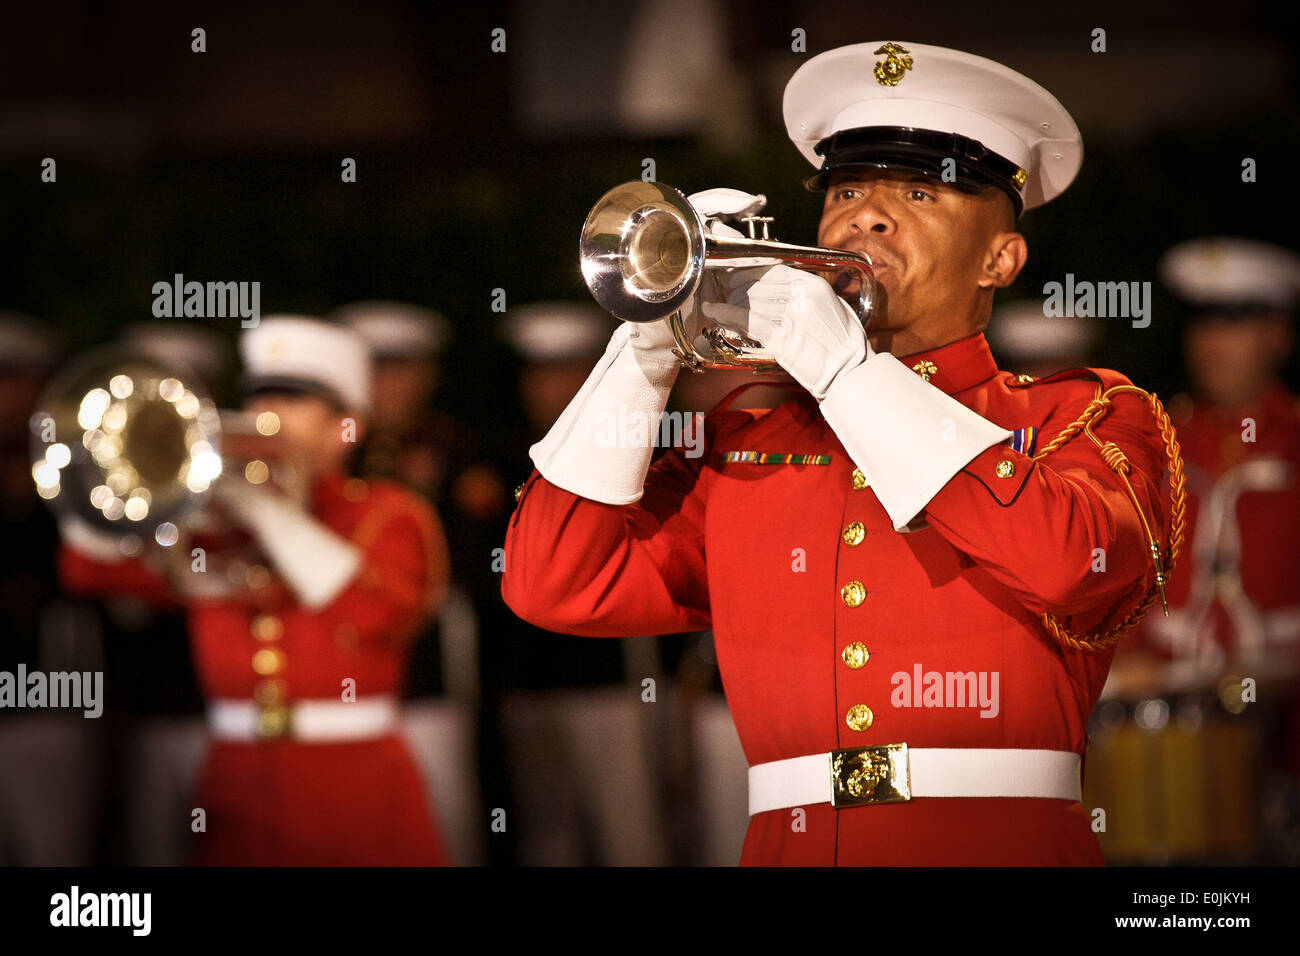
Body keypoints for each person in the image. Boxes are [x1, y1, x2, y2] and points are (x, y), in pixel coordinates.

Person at [502, 41, 1179, 865]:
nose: (868, 216)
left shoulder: (1085, 414)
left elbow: (1070, 563)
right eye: (848, 189)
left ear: (1000, 260)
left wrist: (849, 374)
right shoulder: (748, 443)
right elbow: (552, 583)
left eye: (921, 193)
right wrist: (646, 347)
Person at [57, 316, 451, 865]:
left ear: (347, 426)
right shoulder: (210, 519)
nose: (268, 414)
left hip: (355, 788)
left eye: (293, 398)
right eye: (259, 394)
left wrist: (260, 508)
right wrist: (104, 479)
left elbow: (377, 611)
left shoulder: (390, 514)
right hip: (234, 785)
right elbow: (88, 570)